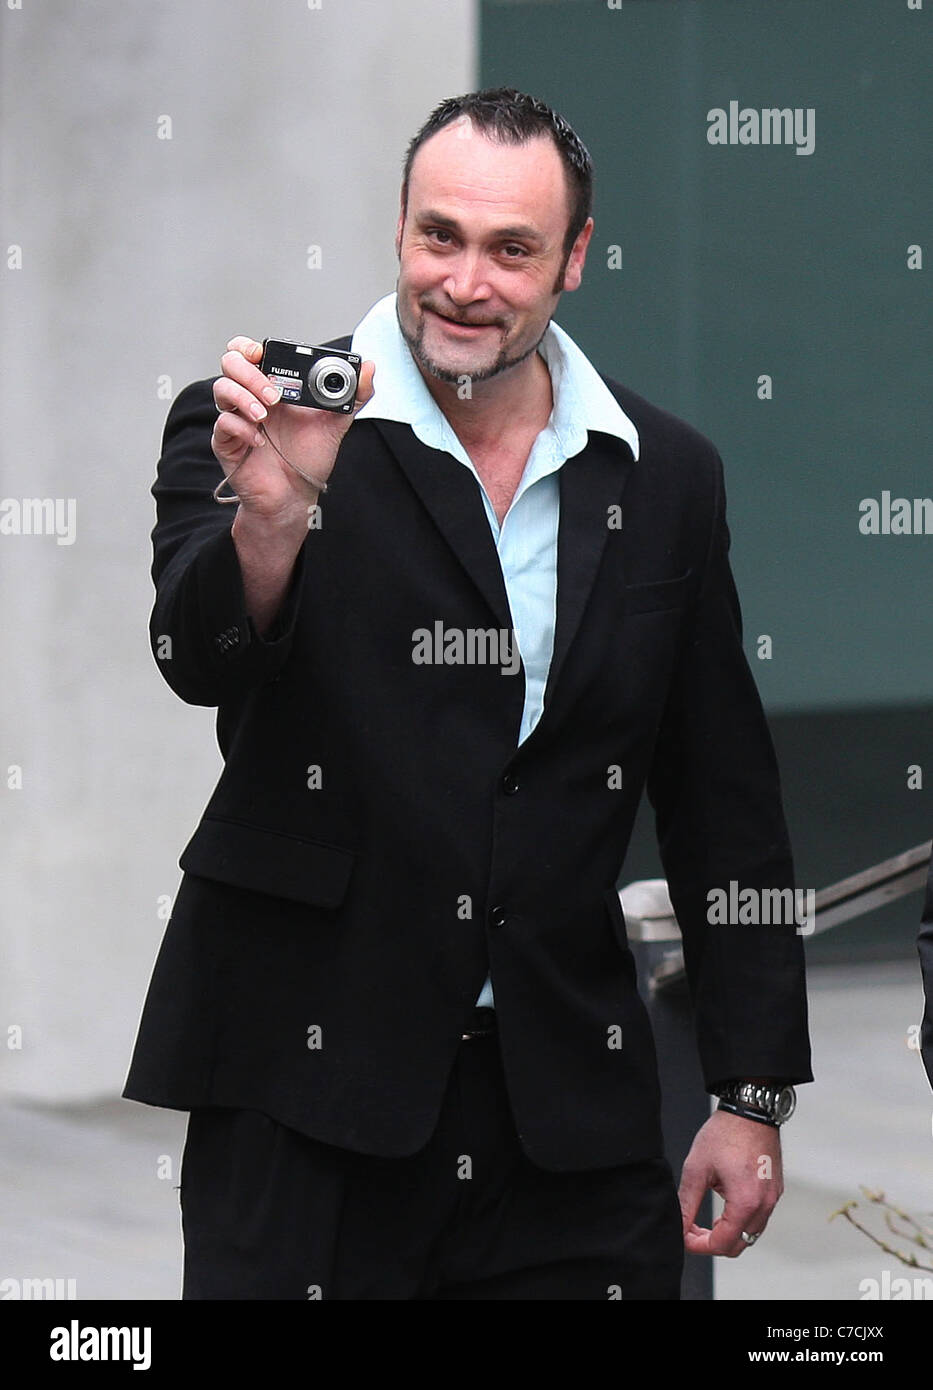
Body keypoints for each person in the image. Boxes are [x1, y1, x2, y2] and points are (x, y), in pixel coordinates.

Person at [123, 87, 812, 1300]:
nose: (466, 283)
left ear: (575, 261)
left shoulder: (665, 477)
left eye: (512, 249)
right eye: (440, 236)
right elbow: (198, 660)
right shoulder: (254, 420)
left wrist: (749, 1090)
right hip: (305, 1088)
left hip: (567, 1107)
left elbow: (723, 797)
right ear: (398, 227)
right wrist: (273, 526)